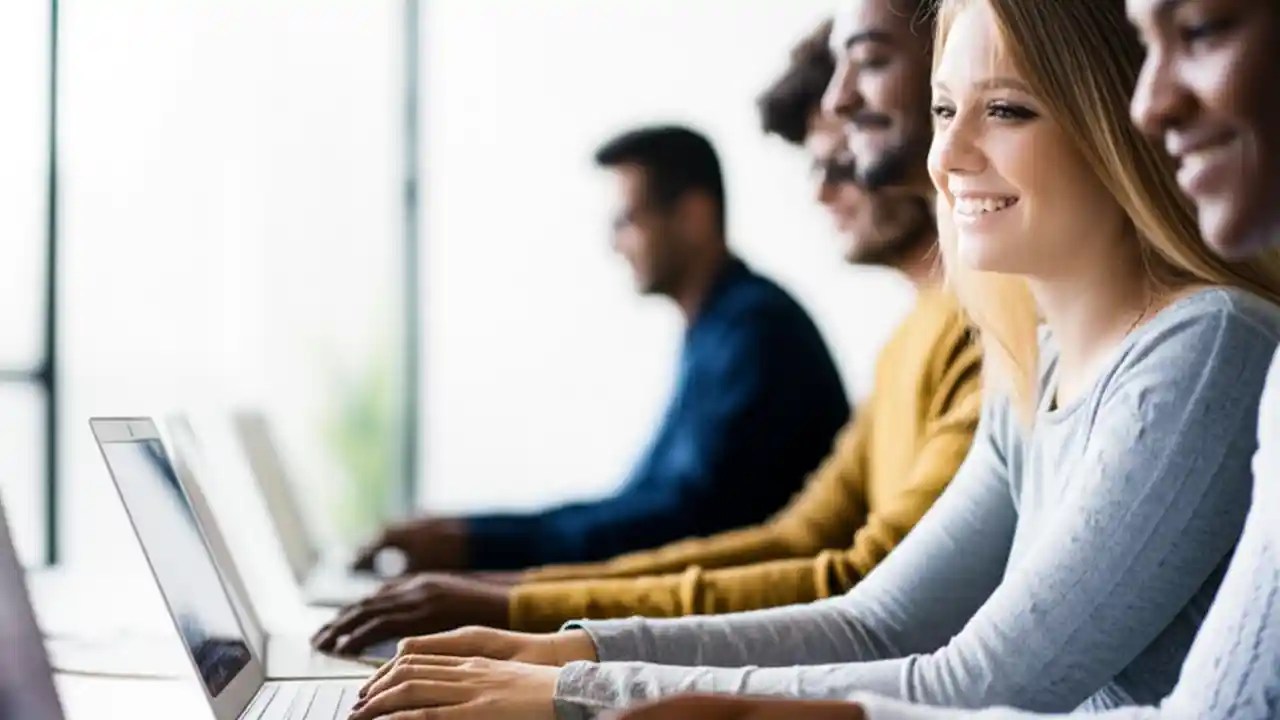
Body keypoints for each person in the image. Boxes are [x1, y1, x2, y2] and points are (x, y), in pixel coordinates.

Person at [343, 0, 1280, 718]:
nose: (947, 154)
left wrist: (581, 693)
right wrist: (567, 651)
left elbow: (980, 681)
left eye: (1005, 109)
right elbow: (877, 618)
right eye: (945, 108)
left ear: (1118, 122)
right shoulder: (1031, 368)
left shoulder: (1202, 350)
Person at [312, 18, 979, 656]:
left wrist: (503, 592)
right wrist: (501, 588)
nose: (824, 193)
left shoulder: (769, 328)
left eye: (841, 162)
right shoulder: (897, 341)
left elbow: (814, 564)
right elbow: (794, 538)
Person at [350, 125, 850, 576]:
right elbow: (641, 502)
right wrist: (466, 531)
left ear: (694, 216)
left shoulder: (756, 331)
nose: (615, 244)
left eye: (628, 219)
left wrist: (481, 546)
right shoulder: (720, 327)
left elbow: (684, 521)